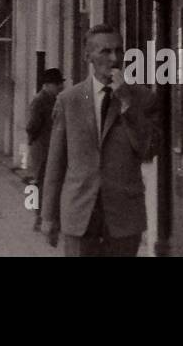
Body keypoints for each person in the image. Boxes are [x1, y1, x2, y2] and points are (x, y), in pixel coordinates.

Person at [42, 25, 160, 257]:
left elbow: (147, 150)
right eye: (105, 51)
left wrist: (127, 104)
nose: (114, 58)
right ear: (88, 56)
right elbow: (55, 163)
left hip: (123, 215)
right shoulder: (69, 100)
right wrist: (47, 216)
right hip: (80, 213)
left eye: (119, 51)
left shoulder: (142, 98)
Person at [26, 68, 65, 230]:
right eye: (57, 85)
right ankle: (38, 218)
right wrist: (34, 141)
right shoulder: (40, 100)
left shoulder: (52, 99)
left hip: (47, 147)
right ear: (48, 85)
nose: (60, 88)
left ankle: (46, 217)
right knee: (38, 182)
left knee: (47, 182)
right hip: (41, 148)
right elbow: (32, 126)